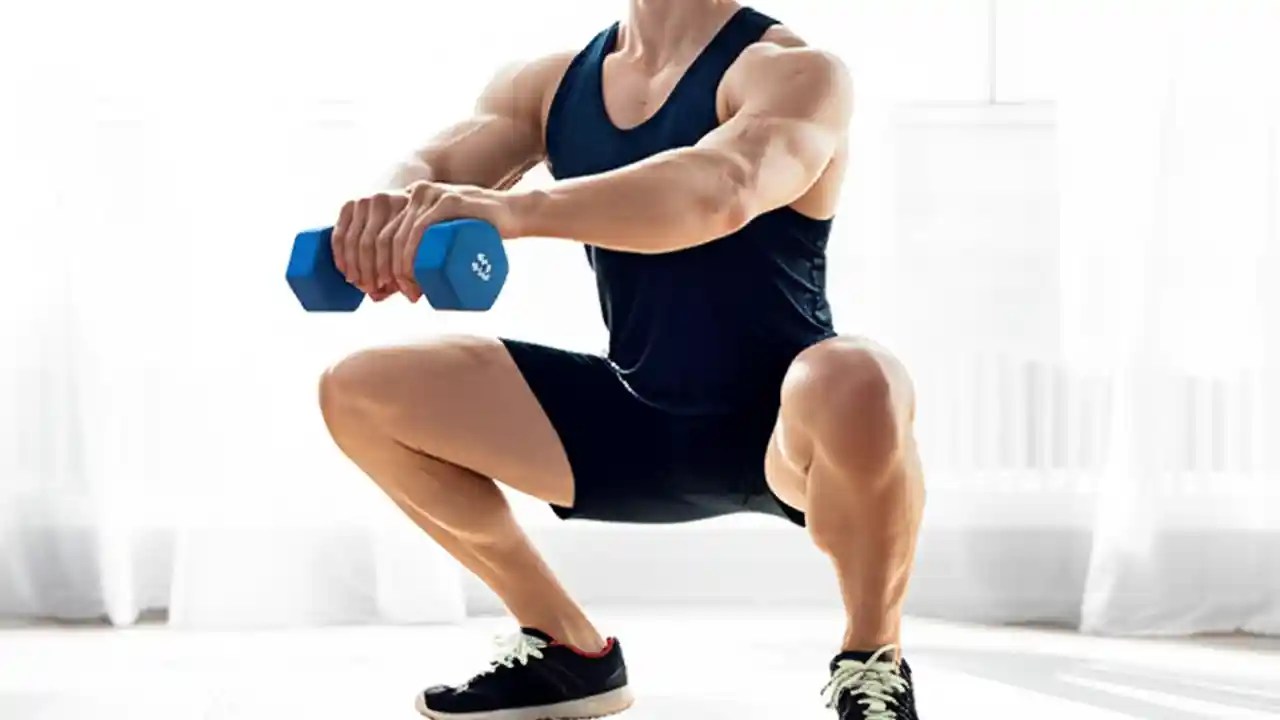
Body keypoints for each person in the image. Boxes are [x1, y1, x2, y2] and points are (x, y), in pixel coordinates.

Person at [318, 1, 925, 718]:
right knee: (358, 390)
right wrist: (391, 209)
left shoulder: (795, 73)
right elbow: (435, 166)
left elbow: (720, 187)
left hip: (789, 435)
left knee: (859, 375)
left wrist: (517, 213)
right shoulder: (548, 85)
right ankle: (567, 651)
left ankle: (870, 662)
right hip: (637, 420)